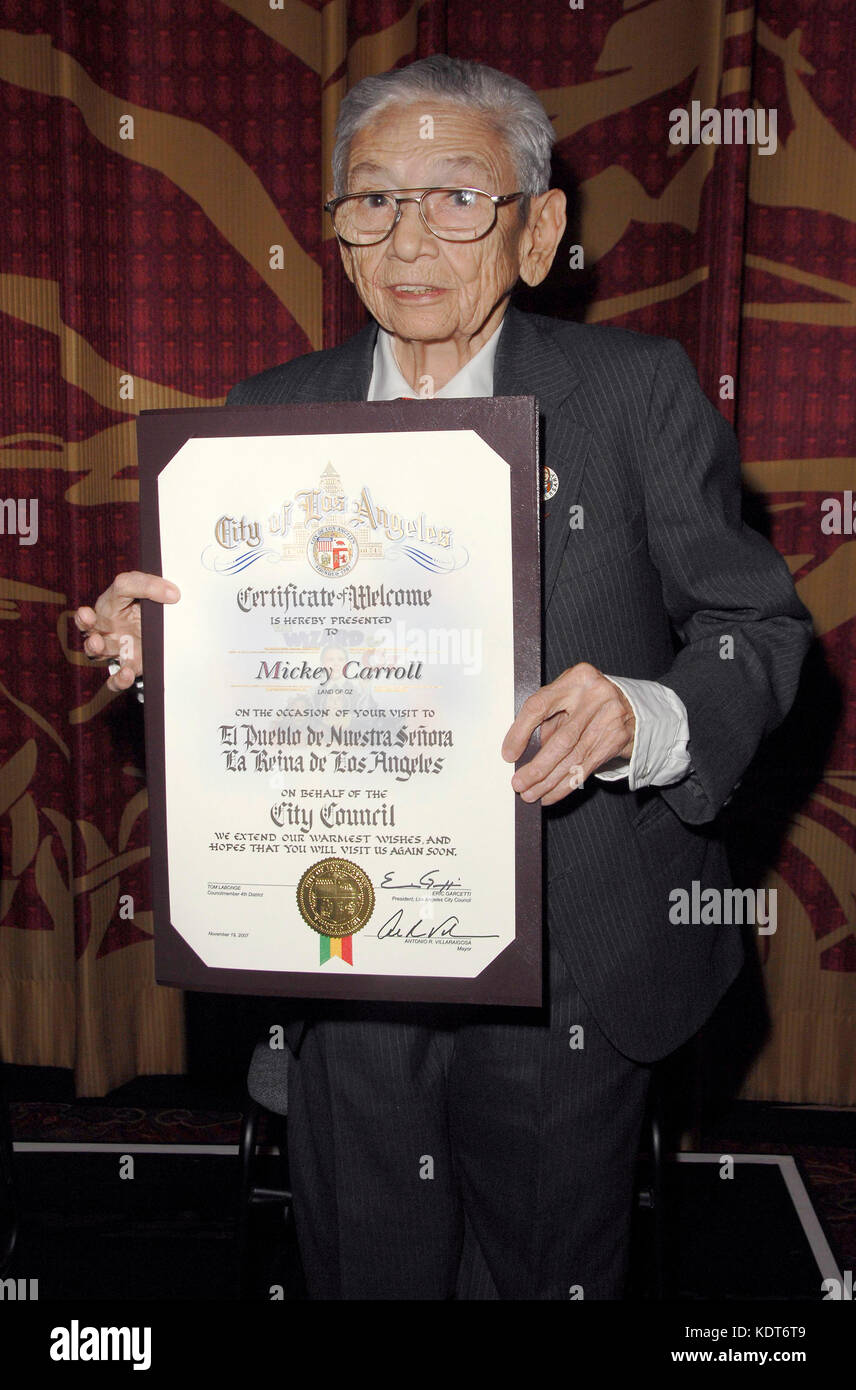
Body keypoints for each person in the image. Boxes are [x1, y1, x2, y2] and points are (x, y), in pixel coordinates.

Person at [75, 56, 812, 1299]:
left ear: (538, 230)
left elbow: (758, 626)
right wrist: (163, 659)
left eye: (456, 197)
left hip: (575, 932)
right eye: (373, 201)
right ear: (340, 232)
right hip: (342, 927)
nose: (409, 235)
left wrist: (647, 712)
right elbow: (250, 679)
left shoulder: (633, 396)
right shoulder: (262, 418)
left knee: (545, 1265)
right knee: (366, 1260)